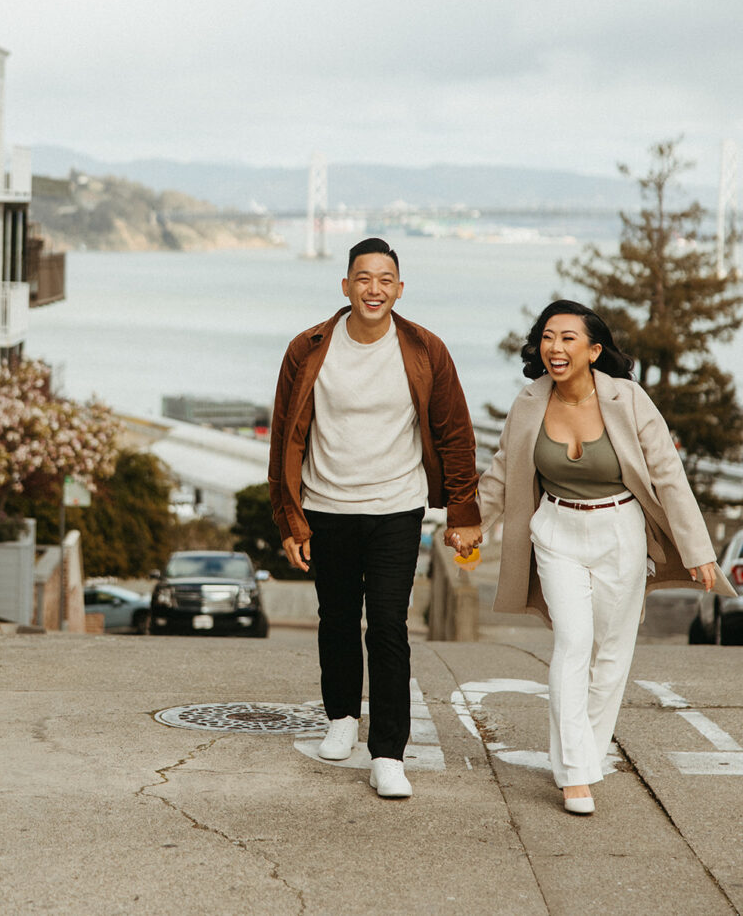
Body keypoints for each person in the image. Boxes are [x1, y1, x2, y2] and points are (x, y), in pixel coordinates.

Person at [448, 299, 734, 815]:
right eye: (548, 337)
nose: (555, 348)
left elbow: (668, 474)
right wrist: (470, 522)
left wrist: (698, 551)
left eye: (568, 338)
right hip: (556, 530)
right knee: (573, 643)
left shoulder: (627, 400)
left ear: (593, 350)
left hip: (620, 530)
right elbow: (502, 469)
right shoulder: (529, 402)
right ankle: (575, 773)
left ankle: (589, 752)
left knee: (611, 653)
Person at [269, 237, 482, 798]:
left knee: (387, 625)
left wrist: (464, 512)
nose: (374, 289)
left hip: (396, 506)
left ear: (399, 289)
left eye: (385, 280)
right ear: (345, 286)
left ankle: (388, 752)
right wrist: (290, 519)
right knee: (337, 618)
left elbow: (455, 434)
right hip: (326, 505)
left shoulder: (425, 350)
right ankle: (341, 718)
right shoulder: (308, 348)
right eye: (363, 278)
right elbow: (286, 440)